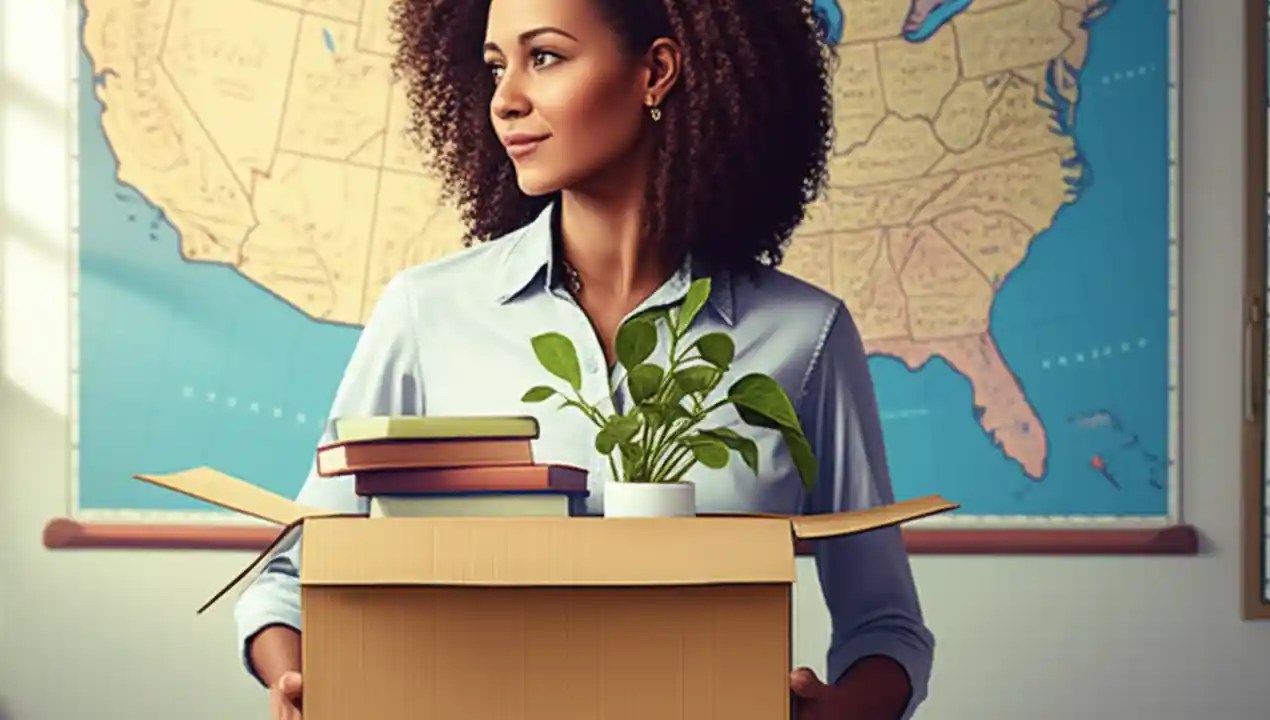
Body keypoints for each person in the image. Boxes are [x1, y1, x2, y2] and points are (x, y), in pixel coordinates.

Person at [235, 0, 936, 718]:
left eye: (544, 57)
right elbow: (287, 577)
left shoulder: (805, 337)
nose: (506, 100)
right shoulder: (426, 314)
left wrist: (844, 710)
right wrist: (297, 681)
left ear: (656, 71)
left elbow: (885, 626)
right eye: (495, 66)